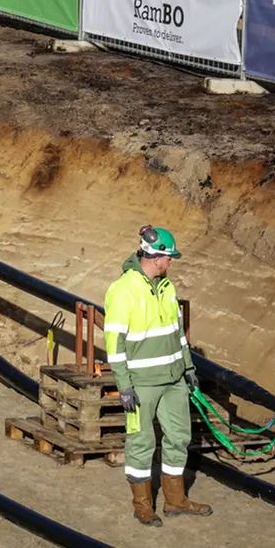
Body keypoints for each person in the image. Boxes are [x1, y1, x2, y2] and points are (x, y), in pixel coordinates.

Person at [103, 225, 211, 527]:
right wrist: (124, 386)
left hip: (173, 380)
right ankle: (142, 505)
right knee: (141, 442)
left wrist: (188, 369)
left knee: (179, 437)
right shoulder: (123, 291)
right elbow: (114, 344)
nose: (171, 262)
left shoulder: (167, 287)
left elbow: (177, 335)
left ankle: (175, 501)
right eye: (168, 256)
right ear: (154, 256)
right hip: (142, 384)